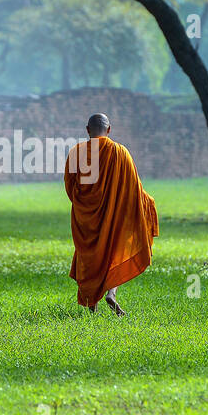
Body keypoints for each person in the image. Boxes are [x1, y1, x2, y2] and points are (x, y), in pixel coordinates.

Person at [63, 113, 159, 315]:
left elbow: (70, 188)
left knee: (88, 254)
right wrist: (148, 203)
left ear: (87, 130)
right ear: (109, 129)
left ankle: (92, 305)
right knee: (114, 250)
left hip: (86, 218)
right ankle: (111, 293)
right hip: (113, 216)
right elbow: (134, 188)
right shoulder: (120, 152)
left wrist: (86, 206)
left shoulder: (76, 153)